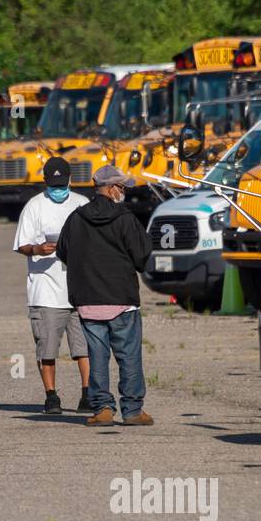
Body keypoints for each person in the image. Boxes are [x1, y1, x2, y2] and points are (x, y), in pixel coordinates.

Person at [55, 165, 154, 427]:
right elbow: (142, 255)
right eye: (122, 187)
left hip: (88, 299)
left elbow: (62, 251)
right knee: (129, 356)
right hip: (122, 298)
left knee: (97, 355)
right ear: (111, 189)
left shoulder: (76, 218)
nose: (124, 192)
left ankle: (103, 409)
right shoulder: (125, 218)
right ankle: (132, 410)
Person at [12, 156, 91, 415]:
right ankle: (51, 395)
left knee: (84, 347)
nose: (58, 188)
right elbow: (22, 244)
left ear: (70, 179)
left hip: (79, 288)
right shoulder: (34, 206)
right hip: (45, 290)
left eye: (62, 183)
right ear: (45, 181)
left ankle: (87, 393)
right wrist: (37, 249)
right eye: (53, 184)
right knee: (47, 347)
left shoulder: (83, 204)